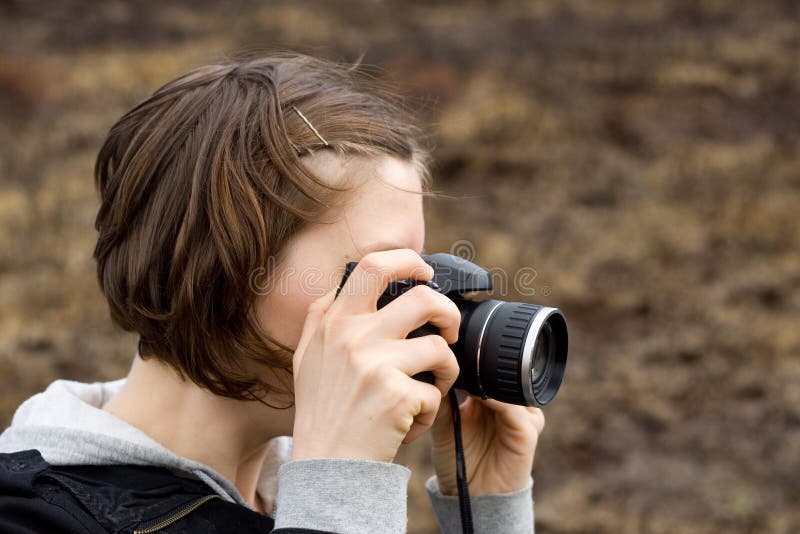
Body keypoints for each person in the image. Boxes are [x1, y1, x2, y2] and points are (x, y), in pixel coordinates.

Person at [0, 51, 545, 533]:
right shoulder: (33, 515)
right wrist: (340, 491)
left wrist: (490, 513)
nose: (426, 306)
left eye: (418, 269)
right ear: (223, 269)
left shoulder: (299, 493)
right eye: (379, 277)